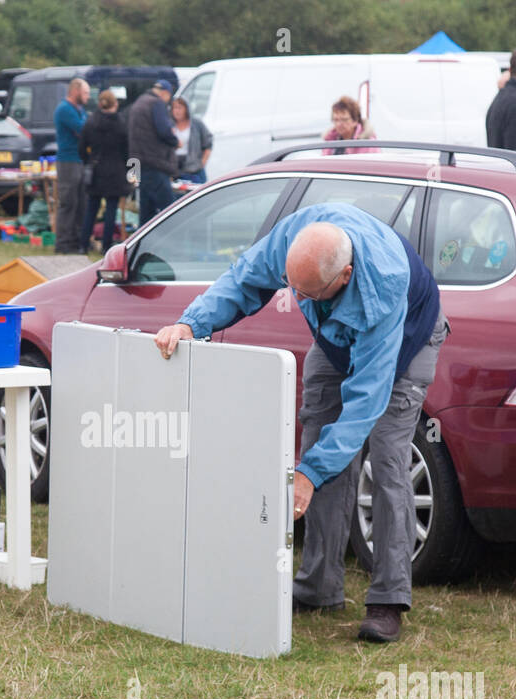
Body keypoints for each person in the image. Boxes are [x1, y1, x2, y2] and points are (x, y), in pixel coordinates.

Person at [153, 204, 448, 643]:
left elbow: (364, 405)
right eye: (296, 291)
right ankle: (318, 586)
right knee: (316, 443)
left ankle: (388, 598)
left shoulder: (383, 286)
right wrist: (190, 324)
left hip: (407, 340)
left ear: (345, 275)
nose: (300, 301)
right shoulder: (295, 237)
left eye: (310, 295)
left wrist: (309, 474)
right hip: (335, 340)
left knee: (387, 458)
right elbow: (243, 279)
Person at [79, 88, 131, 252]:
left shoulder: (91, 122)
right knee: (111, 210)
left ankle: (83, 244)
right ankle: (106, 245)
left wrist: (89, 161)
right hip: (116, 170)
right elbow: (128, 151)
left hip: (96, 169)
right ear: (115, 104)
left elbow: (81, 148)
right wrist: (128, 168)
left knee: (91, 209)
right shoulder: (121, 123)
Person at [127, 79, 179, 225]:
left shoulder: (138, 103)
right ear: (165, 93)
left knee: (146, 214)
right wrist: (175, 141)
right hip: (155, 164)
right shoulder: (156, 103)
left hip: (139, 164)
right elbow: (164, 131)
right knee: (170, 211)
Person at [52, 77, 90, 254]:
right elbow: (83, 129)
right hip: (68, 160)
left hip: (79, 159)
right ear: (75, 91)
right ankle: (63, 242)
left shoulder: (79, 110)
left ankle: (77, 240)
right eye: (85, 93)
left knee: (81, 202)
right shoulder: (65, 109)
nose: (88, 97)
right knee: (68, 202)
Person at [171, 96, 213, 184]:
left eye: (179, 108)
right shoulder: (169, 125)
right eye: (174, 108)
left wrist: (202, 163)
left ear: (186, 109)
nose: (177, 111)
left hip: (194, 170)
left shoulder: (196, 124)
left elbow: (208, 143)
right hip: (174, 170)